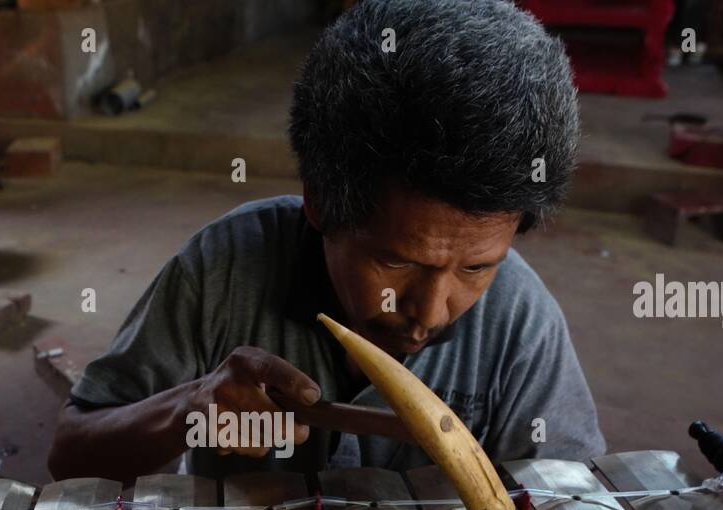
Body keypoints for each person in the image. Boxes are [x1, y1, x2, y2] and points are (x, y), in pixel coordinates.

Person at [48, 0, 605, 483]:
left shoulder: (520, 318)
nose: (428, 313)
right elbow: (71, 455)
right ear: (319, 203)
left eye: (476, 268)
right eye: (395, 260)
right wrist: (185, 411)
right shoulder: (222, 269)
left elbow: (567, 504)